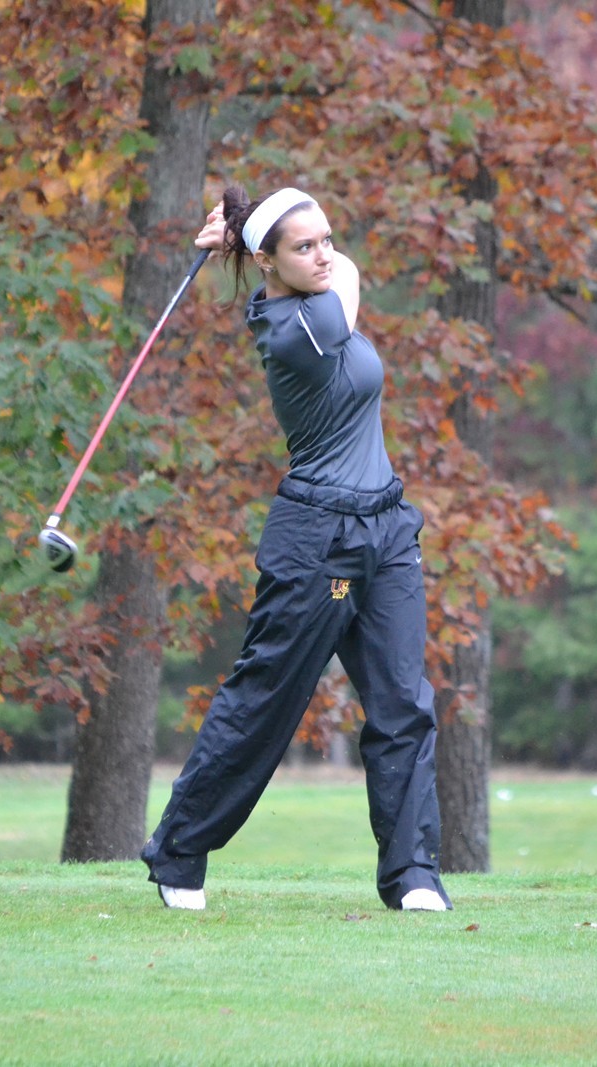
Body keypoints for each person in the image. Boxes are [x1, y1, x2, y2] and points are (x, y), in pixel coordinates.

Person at [140, 186, 452, 912]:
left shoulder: (306, 292)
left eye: (326, 238)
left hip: (387, 529)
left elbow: (331, 267)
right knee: (268, 701)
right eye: (303, 245)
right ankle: (179, 852)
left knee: (405, 702)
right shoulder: (293, 328)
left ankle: (413, 875)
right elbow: (347, 279)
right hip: (319, 540)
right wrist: (242, 244)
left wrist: (240, 238)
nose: (324, 253)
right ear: (269, 262)